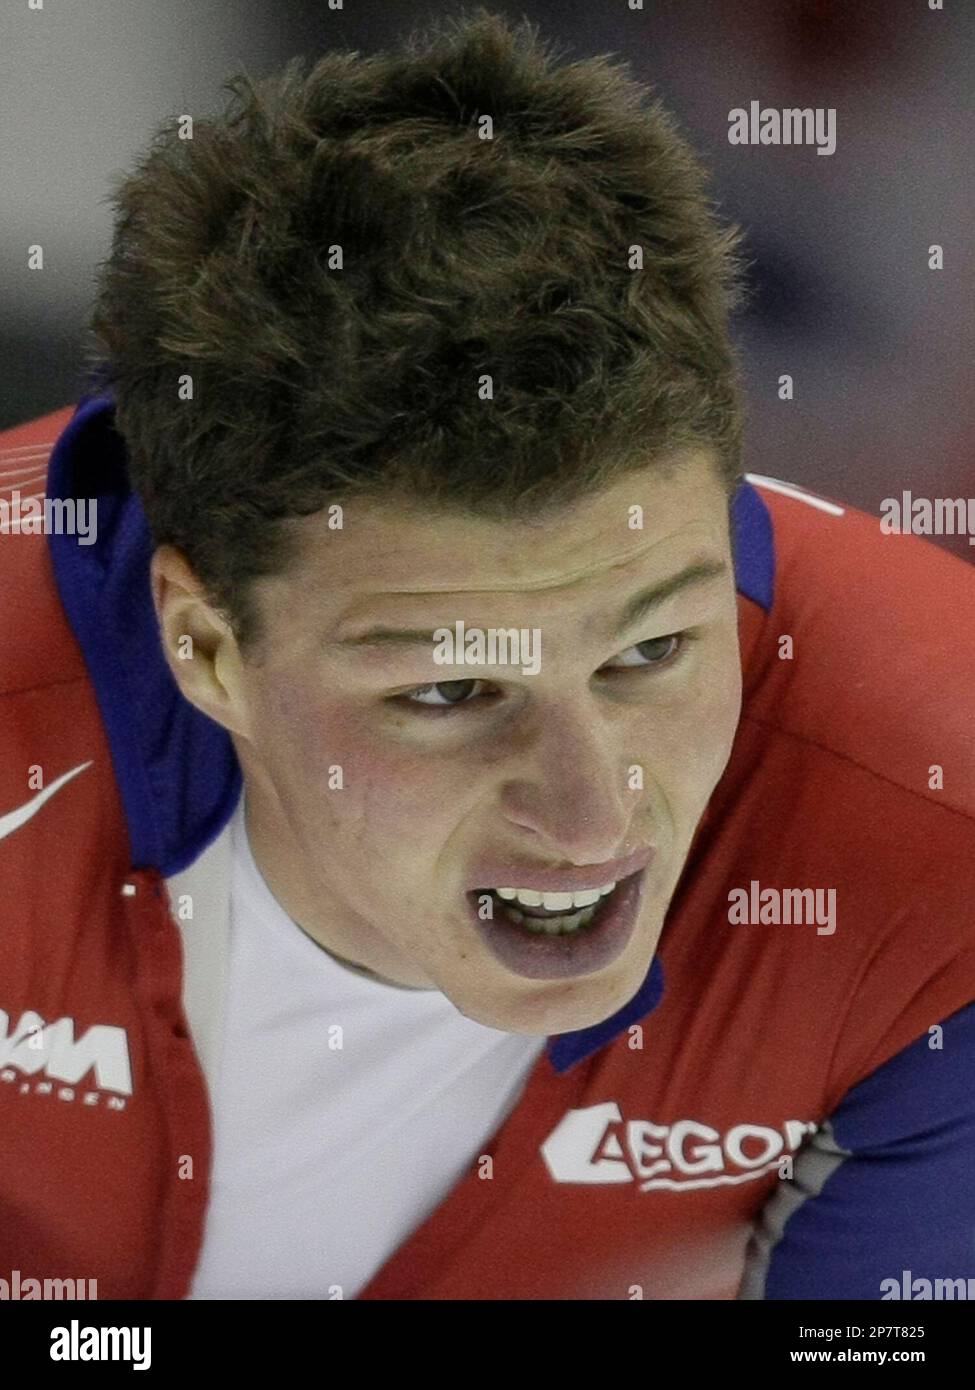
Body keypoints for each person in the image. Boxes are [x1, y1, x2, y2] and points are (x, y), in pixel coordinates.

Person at [1, 8, 972, 1301]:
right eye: (452, 690)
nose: (592, 809)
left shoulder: (940, 826)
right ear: (207, 645)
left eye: (653, 649)